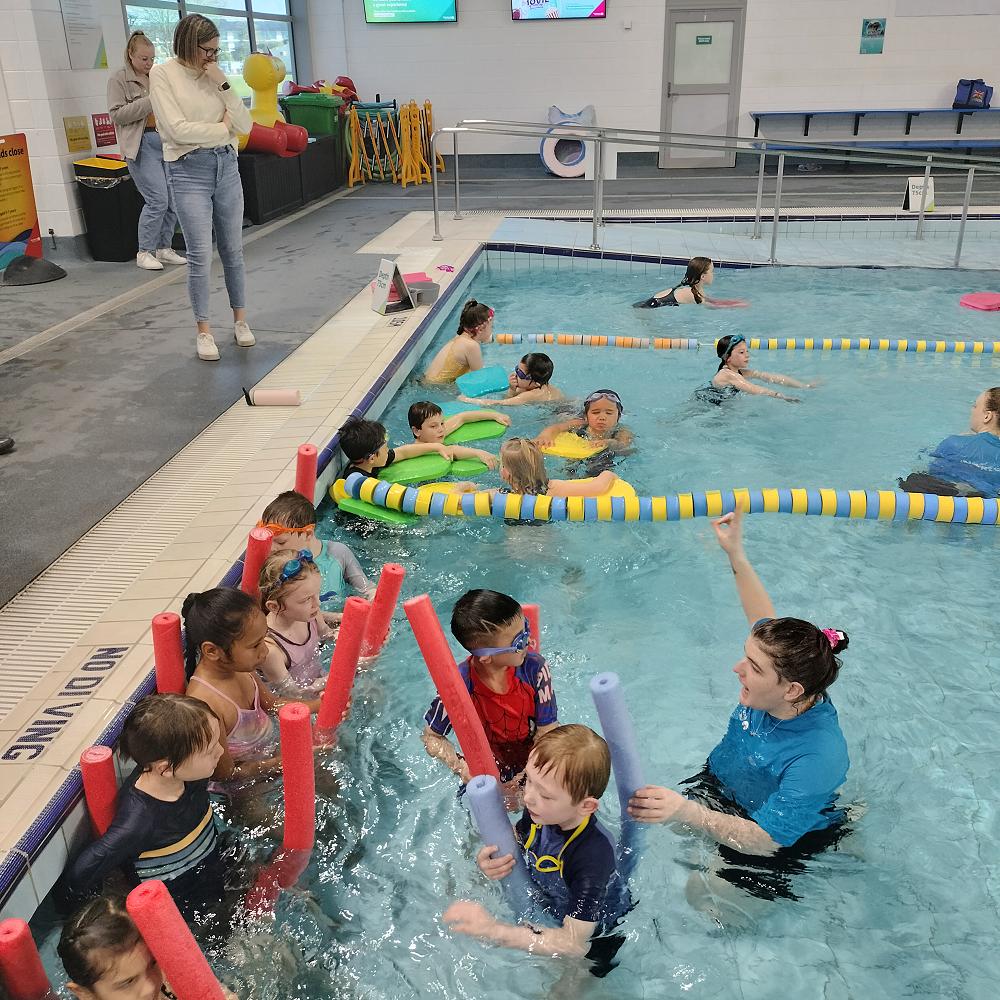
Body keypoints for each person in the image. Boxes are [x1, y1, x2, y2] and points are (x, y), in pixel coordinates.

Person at [628, 506, 850, 902]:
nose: (736, 669)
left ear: (792, 690)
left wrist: (689, 813)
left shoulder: (818, 756)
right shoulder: (778, 681)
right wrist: (736, 555)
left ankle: (842, 832)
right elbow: (761, 615)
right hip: (723, 787)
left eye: (752, 667)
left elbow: (766, 841)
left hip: (779, 837)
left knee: (703, 898)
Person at [442, 725, 630, 975]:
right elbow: (518, 839)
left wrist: (493, 930)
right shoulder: (541, 812)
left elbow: (572, 943)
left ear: (586, 806)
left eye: (546, 794)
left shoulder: (592, 856)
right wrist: (489, 862)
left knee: (564, 990)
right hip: (550, 902)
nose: (528, 797)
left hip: (597, 935)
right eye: (529, 780)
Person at [149, 14, 253, 362]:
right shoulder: (162, 74)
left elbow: (245, 123)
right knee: (199, 254)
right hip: (187, 170)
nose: (212, 57)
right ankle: (204, 331)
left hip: (226, 166)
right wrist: (223, 130)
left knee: (233, 250)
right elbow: (177, 130)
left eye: (216, 51)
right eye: (207, 51)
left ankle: (240, 320)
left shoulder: (214, 75)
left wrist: (224, 85)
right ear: (188, 45)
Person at [60, 695, 224, 908]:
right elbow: (80, 874)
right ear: (165, 768)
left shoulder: (189, 776)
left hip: (210, 867)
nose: (221, 751)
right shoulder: (139, 823)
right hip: (183, 905)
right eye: (210, 751)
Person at [182, 588, 320, 785]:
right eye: (255, 645)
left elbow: (272, 705)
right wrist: (284, 763)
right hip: (243, 788)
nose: (264, 651)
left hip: (269, 756)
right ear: (212, 651)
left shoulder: (241, 667)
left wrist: (320, 705)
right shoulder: (205, 703)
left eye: (263, 639)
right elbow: (225, 774)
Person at [422, 589, 558, 785]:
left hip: (536, 755)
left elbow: (548, 731)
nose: (528, 640)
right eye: (519, 640)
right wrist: (463, 768)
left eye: (526, 628)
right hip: (489, 766)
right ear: (486, 656)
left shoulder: (535, 668)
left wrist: (524, 781)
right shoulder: (458, 686)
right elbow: (431, 737)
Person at [107, 32, 187, 273]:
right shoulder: (119, 80)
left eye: (152, 58)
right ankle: (145, 251)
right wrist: (151, 101)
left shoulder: (157, 76)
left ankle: (164, 247)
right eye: (143, 59)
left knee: (173, 198)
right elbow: (117, 115)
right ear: (130, 55)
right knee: (157, 199)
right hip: (141, 144)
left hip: (165, 141)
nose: (148, 64)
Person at [58, 894, 233, 1000]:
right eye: (128, 982)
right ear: (85, 995)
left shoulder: (170, 978)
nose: (150, 987)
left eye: (153, 964)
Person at [257, 490, 376, 609]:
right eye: (269, 541)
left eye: (280, 542)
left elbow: (366, 589)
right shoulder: (276, 566)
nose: (272, 549)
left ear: (308, 534)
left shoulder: (338, 553)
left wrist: (373, 601)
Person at [258, 549, 334, 697]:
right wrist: (329, 680)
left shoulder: (311, 613)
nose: (317, 603)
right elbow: (291, 695)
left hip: (321, 681)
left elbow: (328, 635)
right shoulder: (271, 649)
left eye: (317, 594)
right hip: (303, 700)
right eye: (306, 599)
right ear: (275, 607)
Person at [899, 387, 1000, 497]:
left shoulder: (956, 444)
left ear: (987, 416)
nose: (972, 410)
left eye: (975, 406)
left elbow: (929, 469)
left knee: (914, 479)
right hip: (990, 504)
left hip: (951, 502)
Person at [696, 334, 813, 405]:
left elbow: (770, 377)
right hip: (705, 403)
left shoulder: (739, 372)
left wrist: (803, 386)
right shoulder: (727, 374)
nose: (747, 355)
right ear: (727, 358)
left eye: (747, 351)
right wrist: (782, 397)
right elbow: (753, 389)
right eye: (741, 352)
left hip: (717, 402)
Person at [338, 415, 452, 481]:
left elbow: (404, 452)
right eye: (385, 448)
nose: (388, 450)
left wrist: (436, 447)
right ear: (372, 458)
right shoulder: (356, 479)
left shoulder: (369, 461)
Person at [496, 437, 618, 498]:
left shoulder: (502, 495)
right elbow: (596, 488)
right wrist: (607, 474)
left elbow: (479, 496)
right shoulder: (552, 489)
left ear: (506, 472)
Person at [407, 401, 504, 468]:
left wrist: (494, 416)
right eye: (433, 426)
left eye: (442, 423)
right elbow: (451, 450)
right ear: (416, 431)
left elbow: (462, 418)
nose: (441, 429)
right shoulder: (416, 451)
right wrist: (478, 453)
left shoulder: (435, 434)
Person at [535, 389, 634, 451]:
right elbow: (557, 427)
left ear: (619, 417)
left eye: (609, 413)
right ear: (586, 416)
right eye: (595, 412)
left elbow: (624, 445)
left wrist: (610, 443)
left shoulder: (622, 431)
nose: (602, 417)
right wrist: (544, 436)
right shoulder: (580, 424)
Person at [633, 257, 748, 309]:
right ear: (703, 276)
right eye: (712, 272)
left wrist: (732, 302)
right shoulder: (690, 293)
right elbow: (712, 307)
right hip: (644, 310)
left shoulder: (696, 289)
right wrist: (736, 306)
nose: (714, 275)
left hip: (645, 305)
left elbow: (713, 301)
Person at [423, 300, 494, 383]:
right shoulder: (472, 346)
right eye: (491, 326)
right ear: (481, 329)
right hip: (436, 389)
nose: (492, 330)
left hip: (426, 381)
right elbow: (480, 380)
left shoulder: (461, 337)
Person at [458, 353, 564, 406]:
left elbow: (501, 403)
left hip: (560, 413)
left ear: (535, 383)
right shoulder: (540, 385)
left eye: (520, 374)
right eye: (517, 369)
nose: (515, 374)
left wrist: (468, 400)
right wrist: (512, 389)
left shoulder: (530, 395)